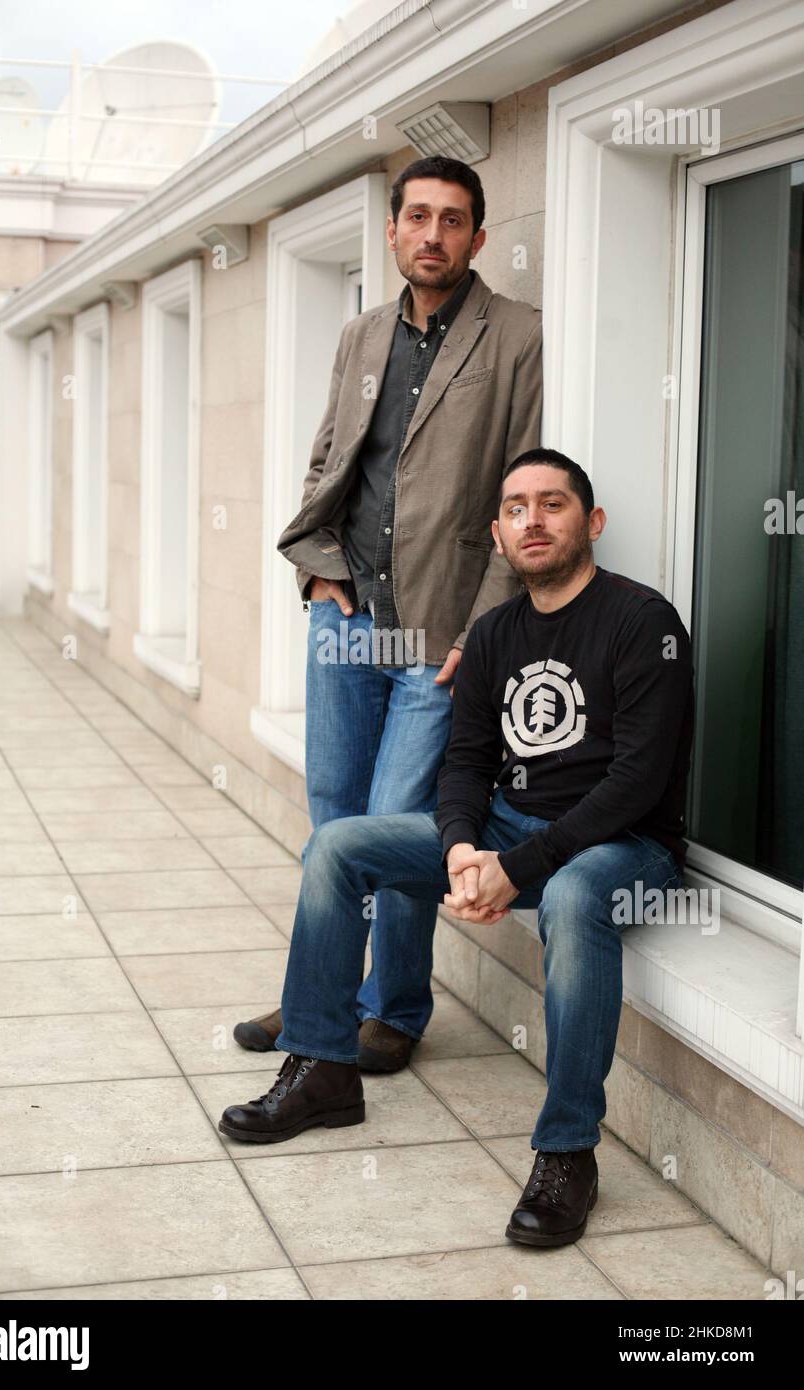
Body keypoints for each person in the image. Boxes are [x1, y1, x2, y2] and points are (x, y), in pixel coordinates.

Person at [221, 450, 695, 1249]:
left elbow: (637, 781)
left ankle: (567, 1151)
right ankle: (323, 1068)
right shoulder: (497, 632)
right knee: (339, 846)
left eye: (553, 504)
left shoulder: (643, 621)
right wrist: (463, 850)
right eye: (516, 508)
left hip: (622, 846)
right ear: (498, 537)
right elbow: (467, 762)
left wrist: (518, 869)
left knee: (577, 899)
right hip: (510, 831)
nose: (533, 520)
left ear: (593, 523)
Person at [233, 154, 542, 1071]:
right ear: (395, 231)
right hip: (348, 622)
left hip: (440, 634)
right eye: (418, 217)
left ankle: (395, 1011)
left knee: (403, 827)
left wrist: (480, 634)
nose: (433, 234)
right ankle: (320, 1001)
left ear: (477, 238)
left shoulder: (518, 336)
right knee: (333, 818)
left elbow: (521, 491)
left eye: (453, 220)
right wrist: (321, 583)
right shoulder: (361, 333)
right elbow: (328, 460)